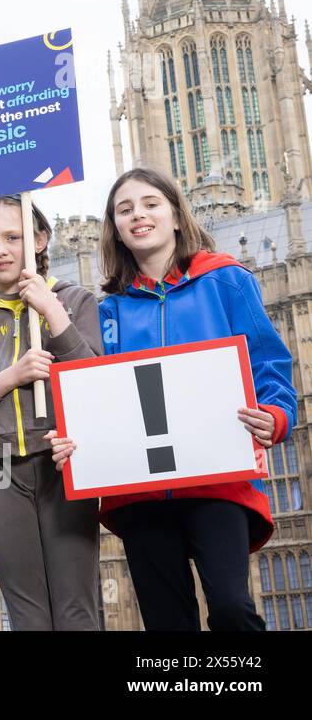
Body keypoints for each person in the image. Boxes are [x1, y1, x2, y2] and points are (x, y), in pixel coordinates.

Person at [49, 167, 296, 631]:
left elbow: (269, 365)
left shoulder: (227, 281)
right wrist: (72, 441)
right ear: (115, 228)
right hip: (139, 490)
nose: (138, 216)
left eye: (149, 204)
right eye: (125, 210)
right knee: (166, 622)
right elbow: (93, 397)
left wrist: (275, 416)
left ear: (176, 215)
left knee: (230, 607)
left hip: (217, 479)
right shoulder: (110, 310)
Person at [0, 195, 102, 630]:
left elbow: (95, 381)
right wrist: (7, 379)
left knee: (75, 607)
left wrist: (51, 312)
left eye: (14, 237)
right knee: (26, 611)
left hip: (62, 459)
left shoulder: (75, 300)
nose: (0, 249)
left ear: (41, 239)